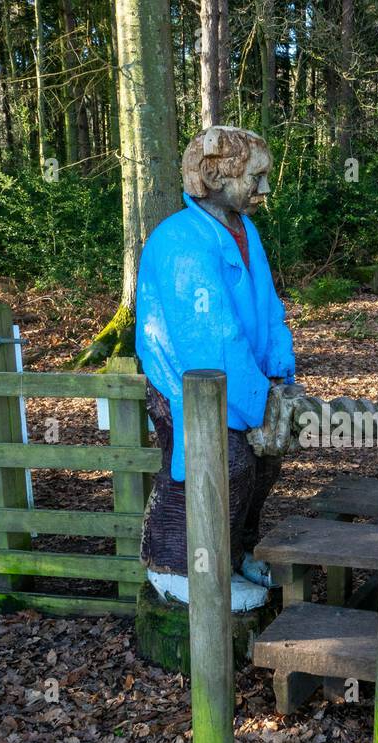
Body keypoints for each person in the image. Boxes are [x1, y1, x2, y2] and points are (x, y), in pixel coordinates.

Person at [134, 126, 295, 611]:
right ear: (213, 174)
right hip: (190, 388)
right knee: (226, 463)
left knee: (265, 462)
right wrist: (259, 402)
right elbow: (211, 339)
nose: (264, 190)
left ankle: (234, 552)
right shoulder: (180, 241)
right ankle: (178, 567)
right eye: (256, 177)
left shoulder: (246, 232)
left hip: (242, 386)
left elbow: (268, 310)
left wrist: (281, 376)